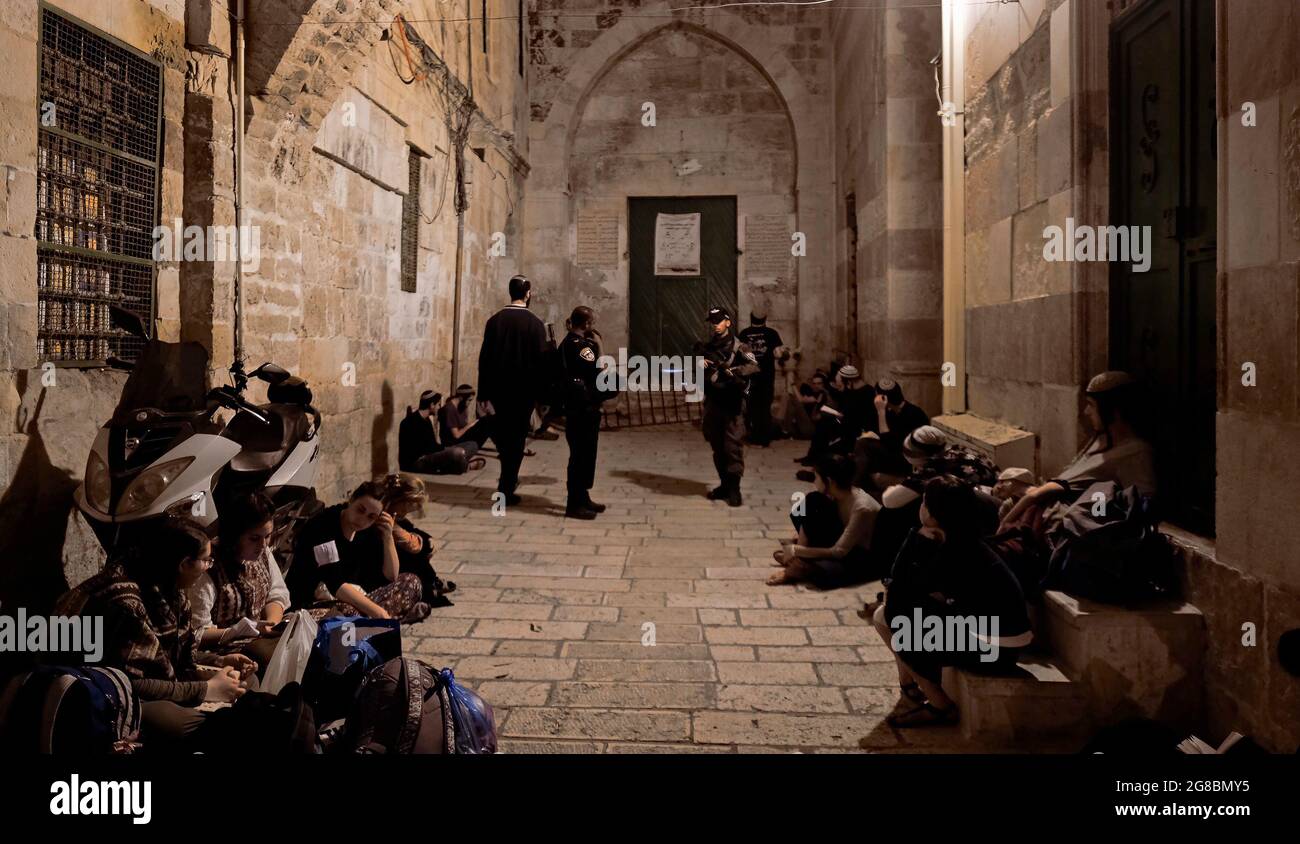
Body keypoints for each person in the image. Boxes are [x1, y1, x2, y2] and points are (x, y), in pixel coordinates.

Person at [53, 517, 254, 750]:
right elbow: (128, 682)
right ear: (184, 564)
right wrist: (206, 689)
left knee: (246, 683)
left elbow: (165, 654)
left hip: (136, 684)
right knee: (185, 724)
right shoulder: (126, 604)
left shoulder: (172, 592)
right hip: (94, 691)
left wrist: (219, 662)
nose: (209, 566)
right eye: (206, 560)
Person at [870, 476, 1032, 728]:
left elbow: (897, 586)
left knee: (893, 614)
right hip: (996, 641)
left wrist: (916, 539)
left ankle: (940, 706)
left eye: (924, 503)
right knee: (892, 613)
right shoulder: (962, 539)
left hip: (994, 651)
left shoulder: (953, 551)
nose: (920, 507)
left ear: (935, 514)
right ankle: (910, 685)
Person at [997, 371, 1156, 533]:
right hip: (1039, 509)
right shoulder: (1100, 441)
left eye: (1092, 405)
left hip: (1056, 525)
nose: (1087, 412)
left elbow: (1138, 506)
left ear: (1112, 410)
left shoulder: (1136, 452)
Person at [288, 481, 427, 623]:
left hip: (352, 598)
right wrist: (378, 612)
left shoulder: (367, 529)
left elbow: (391, 575)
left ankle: (375, 623)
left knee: (412, 582)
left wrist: (388, 536)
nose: (362, 520)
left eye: (371, 517)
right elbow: (335, 584)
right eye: (360, 510)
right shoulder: (323, 526)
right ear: (352, 500)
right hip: (312, 604)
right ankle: (383, 621)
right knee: (348, 612)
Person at [189, 492, 290, 669]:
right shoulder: (209, 568)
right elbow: (196, 633)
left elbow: (276, 595)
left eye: (267, 536)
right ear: (234, 535)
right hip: (225, 651)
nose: (263, 545)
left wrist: (271, 625)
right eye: (254, 538)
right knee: (267, 656)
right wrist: (234, 632)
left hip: (260, 637)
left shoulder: (261, 553)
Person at [477, 274, 549, 505]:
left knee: (505, 438)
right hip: (522, 394)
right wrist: (542, 397)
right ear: (528, 293)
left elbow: (484, 360)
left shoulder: (494, 321)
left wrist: (483, 395)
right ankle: (506, 486)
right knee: (516, 441)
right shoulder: (536, 324)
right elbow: (541, 364)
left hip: (498, 393)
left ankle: (506, 482)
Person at [768, 454, 882, 588]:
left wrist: (796, 550)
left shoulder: (862, 507)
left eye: (816, 477)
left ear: (829, 480)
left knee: (823, 574)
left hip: (861, 556)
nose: (814, 481)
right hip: (842, 543)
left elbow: (838, 552)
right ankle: (800, 560)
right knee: (812, 500)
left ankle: (800, 565)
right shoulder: (835, 494)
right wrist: (800, 547)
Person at [699, 307, 759, 507]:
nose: (715, 325)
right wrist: (702, 366)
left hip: (732, 404)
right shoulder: (708, 347)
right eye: (712, 322)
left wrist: (732, 371)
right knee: (717, 447)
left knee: (732, 447)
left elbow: (754, 365)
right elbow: (701, 371)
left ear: (728, 322)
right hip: (714, 403)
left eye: (718, 321)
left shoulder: (740, 347)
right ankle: (724, 485)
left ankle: (735, 489)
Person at [560, 306, 609, 520]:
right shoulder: (580, 346)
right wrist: (599, 346)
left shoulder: (570, 343)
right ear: (587, 324)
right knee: (580, 455)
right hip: (582, 408)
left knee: (585, 454)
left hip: (579, 406)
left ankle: (583, 496)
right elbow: (598, 371)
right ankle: (574, 503)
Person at [376, 473, 455, 605]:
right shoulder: (383, 517)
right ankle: (428, 587)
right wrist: (425, 544)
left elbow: (408, 528)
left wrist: (426, 539)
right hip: (382, 563)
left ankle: (431, 582)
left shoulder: (394, 515)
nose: (406, 513)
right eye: (406, 507)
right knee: (413, 557)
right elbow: (412, 545)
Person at [853, 378, 931, 491]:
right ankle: (859, 486)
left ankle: (856, 487)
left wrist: (881, 412)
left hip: (906, 459)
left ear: (883, 399)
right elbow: (875, 429)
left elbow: (891, 443)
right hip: (893, 453)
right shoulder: (890, 411)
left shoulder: (914, 414)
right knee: (863, 445)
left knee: (863, 446)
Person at [398, 390, 484, 475]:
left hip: (431, 453)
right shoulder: (410, 422)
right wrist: (446, 450)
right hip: (418, 462)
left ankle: (458, 460)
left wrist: (445, 449)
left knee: (473, 445)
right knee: (457, 452)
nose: (439, 407)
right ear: (431, 405)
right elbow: (425, 449)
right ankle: (467, 466)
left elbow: (433, 444)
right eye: (438, 404)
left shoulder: (426, 419)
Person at [738, 310, 784, 447]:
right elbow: (778, 354)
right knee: (765, 406)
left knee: (752, 406)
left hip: (750, 376)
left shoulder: (744, 333)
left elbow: (740, 354)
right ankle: (764, 439)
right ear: (765, 319)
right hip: (767, 376)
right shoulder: (772, 333)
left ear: (750, 318)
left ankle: (754, 437)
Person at [439, 384, 492, 452]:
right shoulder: (450, 409)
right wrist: (469, 425)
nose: (469, 403)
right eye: (469, 400)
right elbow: (456, 435)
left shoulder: (462, 406)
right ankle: (470, 450)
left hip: (461, 437)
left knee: (487, 422)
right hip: (452, 442)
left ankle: (473, 449)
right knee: (485, 423)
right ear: (461, 397)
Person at [783, 371, 829, 440]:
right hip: (807, 427)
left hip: (813, 430)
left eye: (819, 383)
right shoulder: (814, 393)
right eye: (814, 384)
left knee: (793, 400)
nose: (816, 386)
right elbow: (802, 399)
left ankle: (786, 430)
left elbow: (800, 400)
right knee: (789, 400)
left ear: (824, 384)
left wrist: (792, 384)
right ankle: (787, 430)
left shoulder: (822, 394)